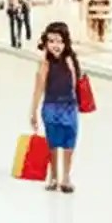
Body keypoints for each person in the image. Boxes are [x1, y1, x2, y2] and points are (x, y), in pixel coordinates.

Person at [29, 22, 81, 194]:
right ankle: (53, 176)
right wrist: (33, 111)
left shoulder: (70, 60)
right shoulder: (45, 63)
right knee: (53, 144)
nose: (55, 46)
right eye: (51, 41)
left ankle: (65, 177)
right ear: (45, 43)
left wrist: (77, 103)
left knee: (69, 143)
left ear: (66, 43)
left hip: (69, 107)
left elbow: (75, 83)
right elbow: (39, 88)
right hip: (51, 107)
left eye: (59, 41)